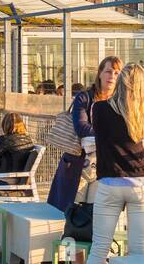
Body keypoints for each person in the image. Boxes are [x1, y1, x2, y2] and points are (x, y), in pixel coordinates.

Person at [70, 62, 144, 264]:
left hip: (109, 183)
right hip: (141, 183)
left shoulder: (100, 108)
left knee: (100, 247)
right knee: (138, 248)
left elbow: (96, 134)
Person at [48, 56, 120, 213]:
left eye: (116, 73)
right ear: (100, 73)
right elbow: (81, 127)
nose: (112, 76)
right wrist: (111, 135)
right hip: (78, 164)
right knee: (72, 209)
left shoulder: (119, 100)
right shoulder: (84, 97)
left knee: (97, 210)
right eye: (108, 71)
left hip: (106, 166)